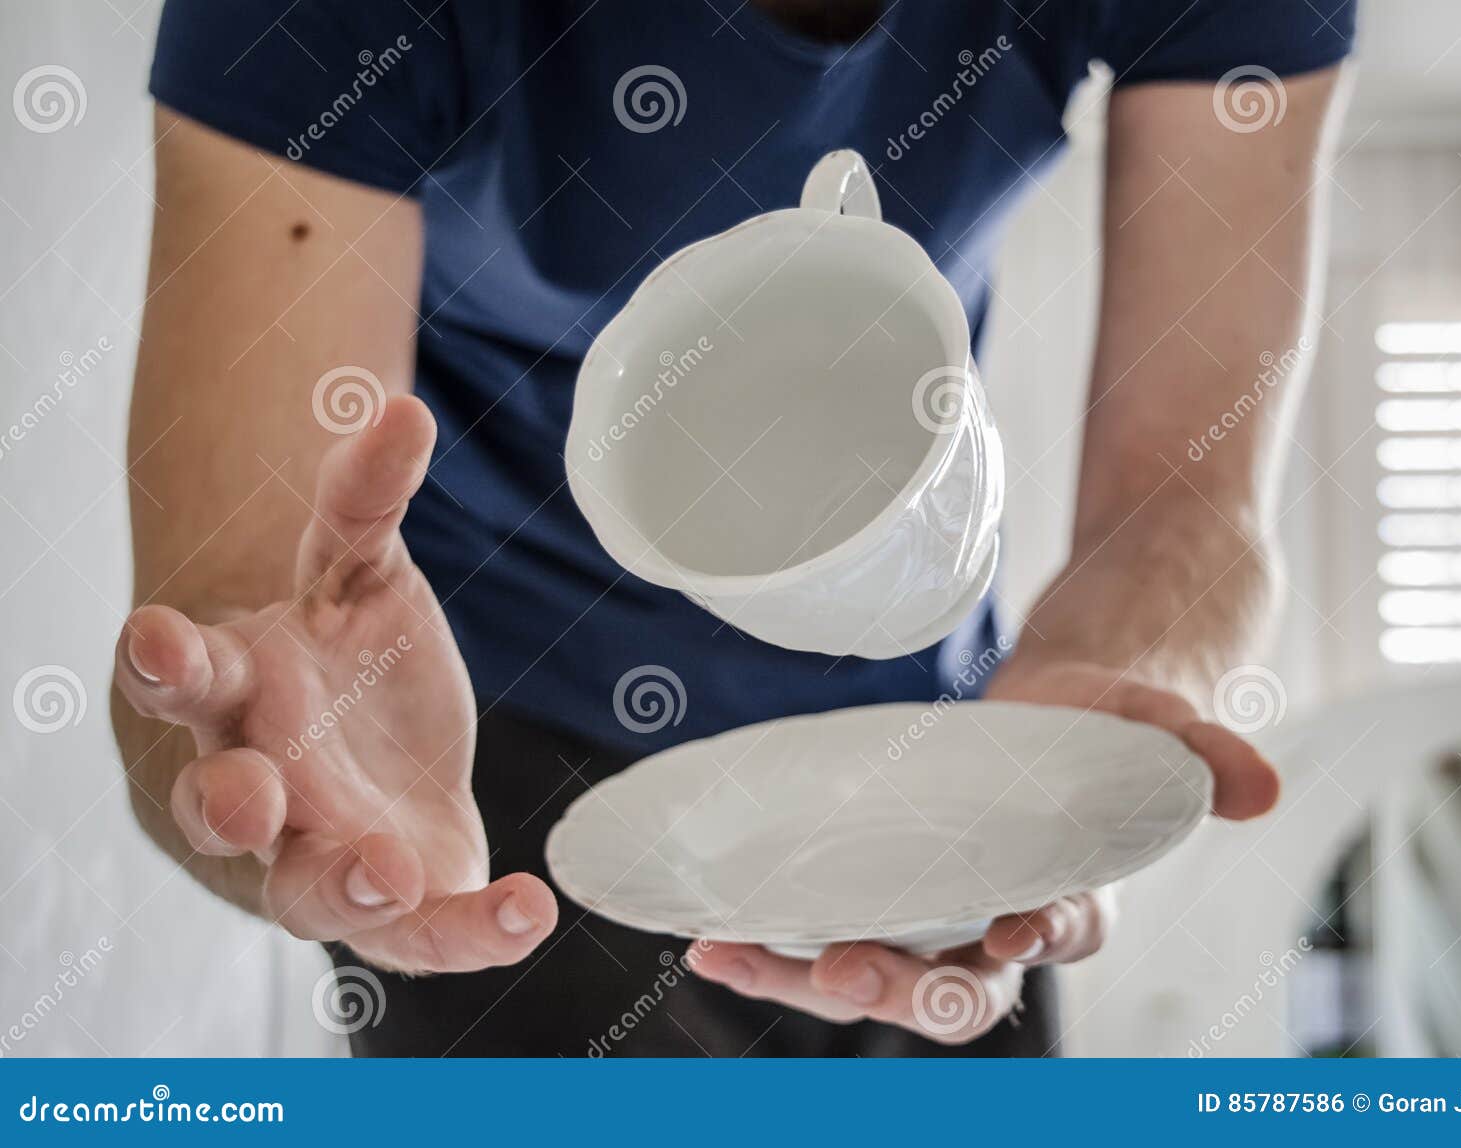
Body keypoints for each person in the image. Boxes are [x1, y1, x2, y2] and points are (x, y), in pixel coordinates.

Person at [114, 0, 1354, 1056]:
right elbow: (236, 611)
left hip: (955, 747)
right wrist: (291, 764)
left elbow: (1186, 496)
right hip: (473, 744)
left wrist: (1096, 707)